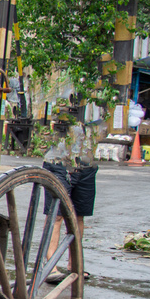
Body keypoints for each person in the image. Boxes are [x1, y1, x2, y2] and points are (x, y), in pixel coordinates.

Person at [43, 119, 102, 283]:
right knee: (56, 215)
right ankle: (51, 266)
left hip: (85, 163)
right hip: (59, 161)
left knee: (79, 215)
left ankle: (74, 264)